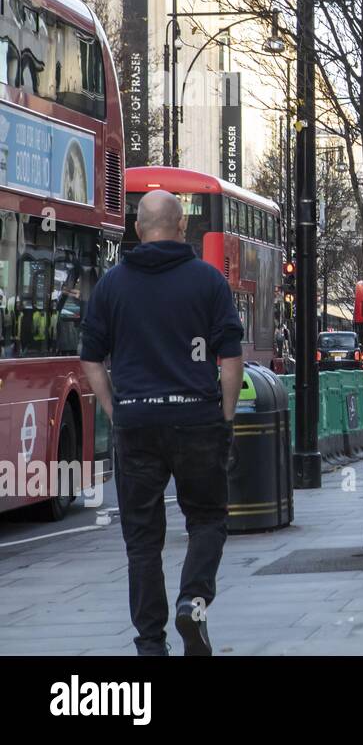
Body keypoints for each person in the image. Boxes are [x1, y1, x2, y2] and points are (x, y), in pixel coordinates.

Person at [79, 190, 245, 656]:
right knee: (209, 518)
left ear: (137, 230)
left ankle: (151, 644)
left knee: (142, 539)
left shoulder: (112, 285)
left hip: (138, 423)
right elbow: (230, 358)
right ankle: (193, 599)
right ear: (182, 228)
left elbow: (91, 358)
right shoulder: (208, 282)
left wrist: (116, 410)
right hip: (195, 416)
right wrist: (225, 418)